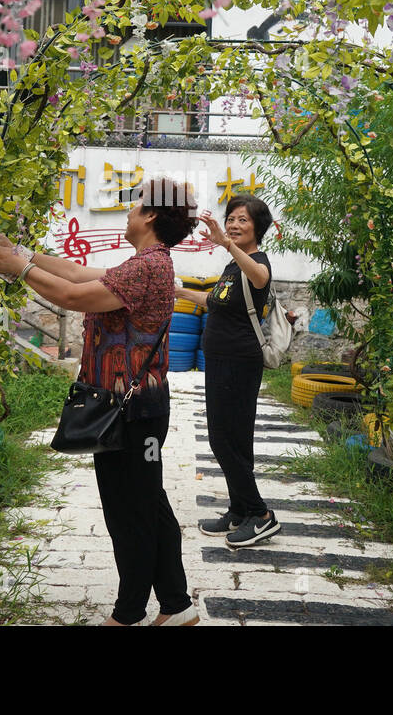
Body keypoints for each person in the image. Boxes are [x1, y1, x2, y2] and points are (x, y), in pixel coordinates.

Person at [0, 178, 199, 626]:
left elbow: (70, 296)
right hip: (132, 408)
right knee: (148, 504)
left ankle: (127, 614)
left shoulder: (147, 268)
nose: (128, 213)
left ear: (151, 216)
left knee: (130, 514)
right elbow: (75, 273)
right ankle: (177, 607)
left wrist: (18, 270)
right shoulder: (144, 263)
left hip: (133, 411)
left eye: (135, 206)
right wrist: (22, 255)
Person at [176, 195, 281, 549]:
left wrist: (225, 243)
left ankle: (261, 515)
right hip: (220, 361)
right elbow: (215, 301)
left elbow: (261, 278)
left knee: (224, 439)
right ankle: (239, 510)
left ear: (257, 228)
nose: (234, 225)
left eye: (243, 221)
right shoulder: (231, 268)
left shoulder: (255, 262)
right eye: (231, 219)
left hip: (239, 362)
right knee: (234, 439)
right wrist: (179, 291)